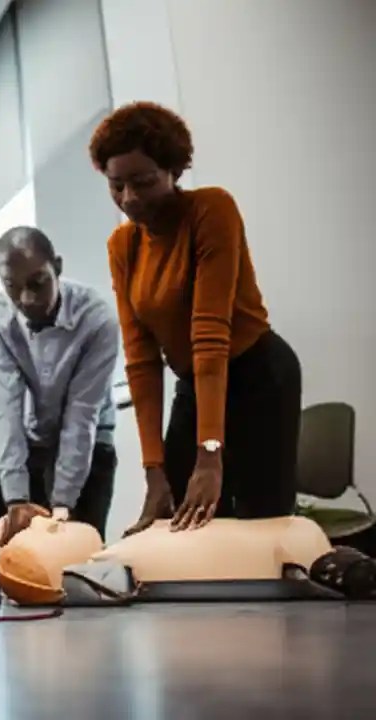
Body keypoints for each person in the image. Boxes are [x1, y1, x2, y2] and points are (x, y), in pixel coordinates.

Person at [89, 101, 302, 534]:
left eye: (143, 182)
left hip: (258, 377)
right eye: (116, 185)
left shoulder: (211, 210)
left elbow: (210, 335)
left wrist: (210, 456)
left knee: (262, 526)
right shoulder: (123, 246)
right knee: (181, 521)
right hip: (193, 384)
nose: (129, 198)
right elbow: (142, 362)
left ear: (173, 171)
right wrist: (154, 471)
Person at [0, 227, 119, 548]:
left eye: (38, 283)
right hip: (31, 438)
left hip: (88, 443)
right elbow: (5, 406)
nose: (27, 299)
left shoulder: (97, 318)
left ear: (57, 267)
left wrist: (62, 508)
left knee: (73, 549)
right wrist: (16, 499)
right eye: (13, 287)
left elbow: (81, 416)